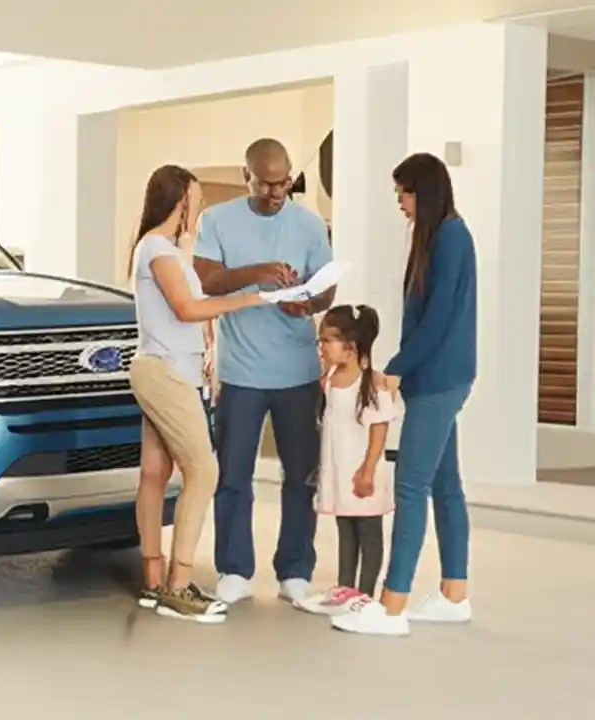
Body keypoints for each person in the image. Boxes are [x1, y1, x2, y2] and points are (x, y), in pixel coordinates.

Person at [333, 152, 477, 637]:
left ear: (426, 192)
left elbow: (440, 317)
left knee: (411, 486)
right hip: (435, 377)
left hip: (439, 379)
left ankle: (391, 605)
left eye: (406, 192)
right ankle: (454, 595)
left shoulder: (451, 237)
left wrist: (397, 368)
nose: (399, 200)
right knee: (445, 485)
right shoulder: (436, 236)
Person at [192, 138, 336, 605]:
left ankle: (295, 570)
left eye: (284, 182)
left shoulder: (309, 224)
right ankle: (234, 570)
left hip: (297, 371)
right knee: (233, 476)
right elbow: (206, 280)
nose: (276, 191)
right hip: (241, 373)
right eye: (266, 183)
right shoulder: (217, 220)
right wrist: (259, 271)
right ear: (246, 176)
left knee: (301, 476)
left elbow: (326, 290)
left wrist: (308, 303)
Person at [127, 164, 266, 622]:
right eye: (197, 200)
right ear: (180, 200)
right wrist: (248, 299)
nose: (201, 207)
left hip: (169, 368)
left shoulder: (167, 249)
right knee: (204, 470)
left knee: (154, 472)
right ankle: (178, 586)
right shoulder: (155, 247)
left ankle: (154, 580)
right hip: (165, 371)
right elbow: (187, 308)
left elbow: (188, 307)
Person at [296, 305, 403, 616]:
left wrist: (367, 469)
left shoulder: (371, 385)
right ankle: (346, 586)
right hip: (338, 470)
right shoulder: (330, 378)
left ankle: (365, 594)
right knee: (345, 528)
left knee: (368, 531)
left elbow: (379, 430)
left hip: (360, 472)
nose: (321, 346)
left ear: (351, 347)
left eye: (328, 340)